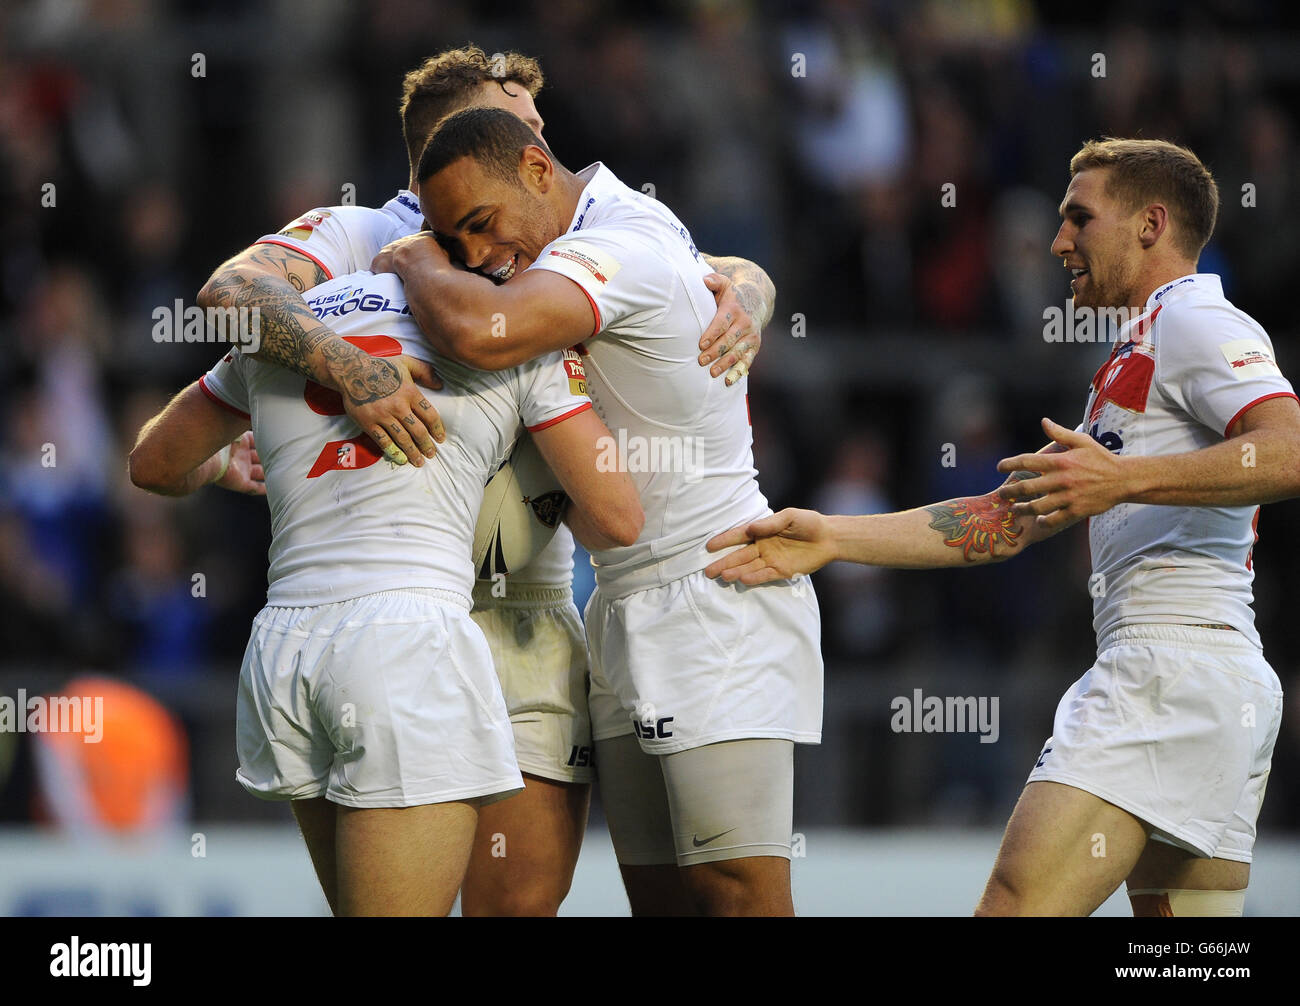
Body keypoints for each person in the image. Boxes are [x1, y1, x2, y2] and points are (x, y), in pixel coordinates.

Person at [194, 46, 773, 915]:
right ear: (439, 149)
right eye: (518, 128)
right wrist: (344, 366)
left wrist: (750, 295)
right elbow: (232, 290)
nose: (543, 151)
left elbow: (713, 273)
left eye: (537, 130)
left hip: (528, 616)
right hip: (402, 613)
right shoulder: (358, 233)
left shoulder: (585, 223)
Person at [705, 138, 1300, 917]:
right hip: (1207, 681)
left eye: (1079, 219)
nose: (1059, 242)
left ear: (1152, 224)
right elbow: (1004, 521)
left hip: (1169, 671)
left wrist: (1121, 478)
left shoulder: (1196, 319)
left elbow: (1289, 448)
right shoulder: (1134, 352)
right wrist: (834, 537)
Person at [374, 106, 823, 917]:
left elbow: (480, 329)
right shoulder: (611, 226)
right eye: (453, 243)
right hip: (620, 600)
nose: (476, 257)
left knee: (738, 895)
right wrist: (753, 285)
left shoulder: (613, 242)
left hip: (713, 584)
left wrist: (415, 262)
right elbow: (728, 270)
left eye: (480, 225)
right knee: (661, 902)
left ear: (539, 171)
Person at [128, 267, 642, 915]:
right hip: (406, 642)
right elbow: (617, 519)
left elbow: (151, 463)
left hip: (285, 645)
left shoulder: (286, 324)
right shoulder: (503, 334)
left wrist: (219, 462)